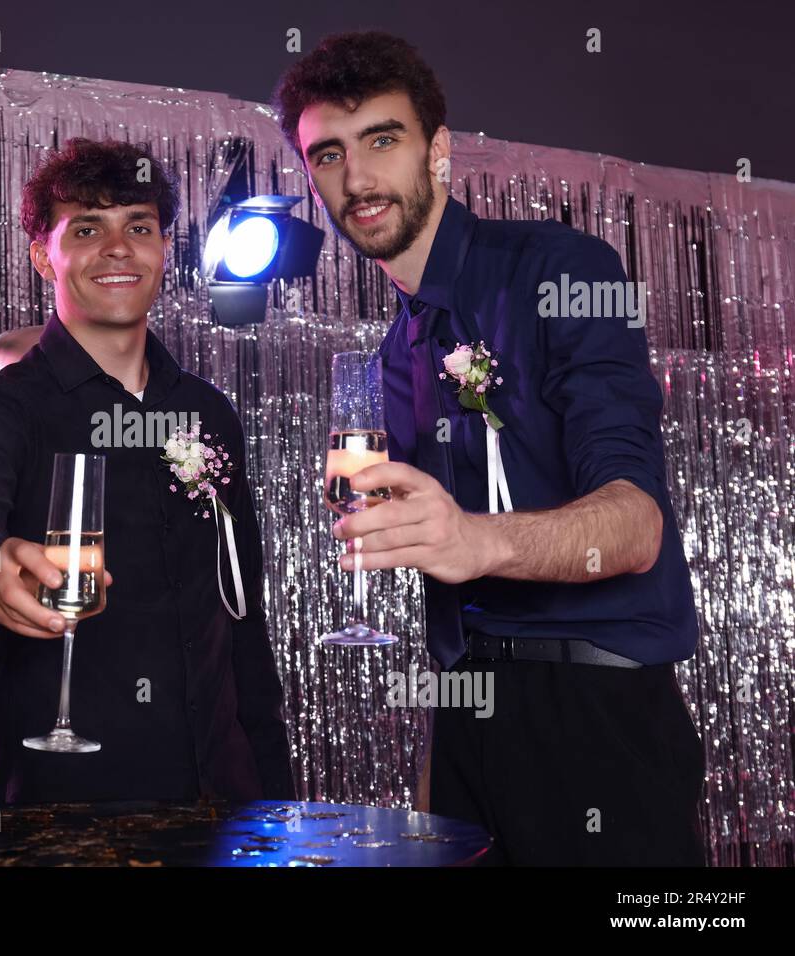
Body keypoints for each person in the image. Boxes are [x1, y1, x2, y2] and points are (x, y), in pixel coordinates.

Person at [275, 32, 705, 864]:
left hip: (600, 717)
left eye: (383, 141)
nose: (358, 178)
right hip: (469, 717)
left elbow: (635, 524)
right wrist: (448, 754)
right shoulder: (391, 351)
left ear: (439, 151)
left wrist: (477, 539)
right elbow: (443, 578)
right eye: (329, 154)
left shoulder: (560, 267)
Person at [0, 138, 295, 804]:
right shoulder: (0, 410)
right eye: (87, 229)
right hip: (71, 814)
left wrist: (276, 799)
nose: (119, 248)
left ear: (164, 248)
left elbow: (245, 621)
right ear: (42, 254)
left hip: (228, 802)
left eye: (139, 226)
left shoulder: (207, 411)